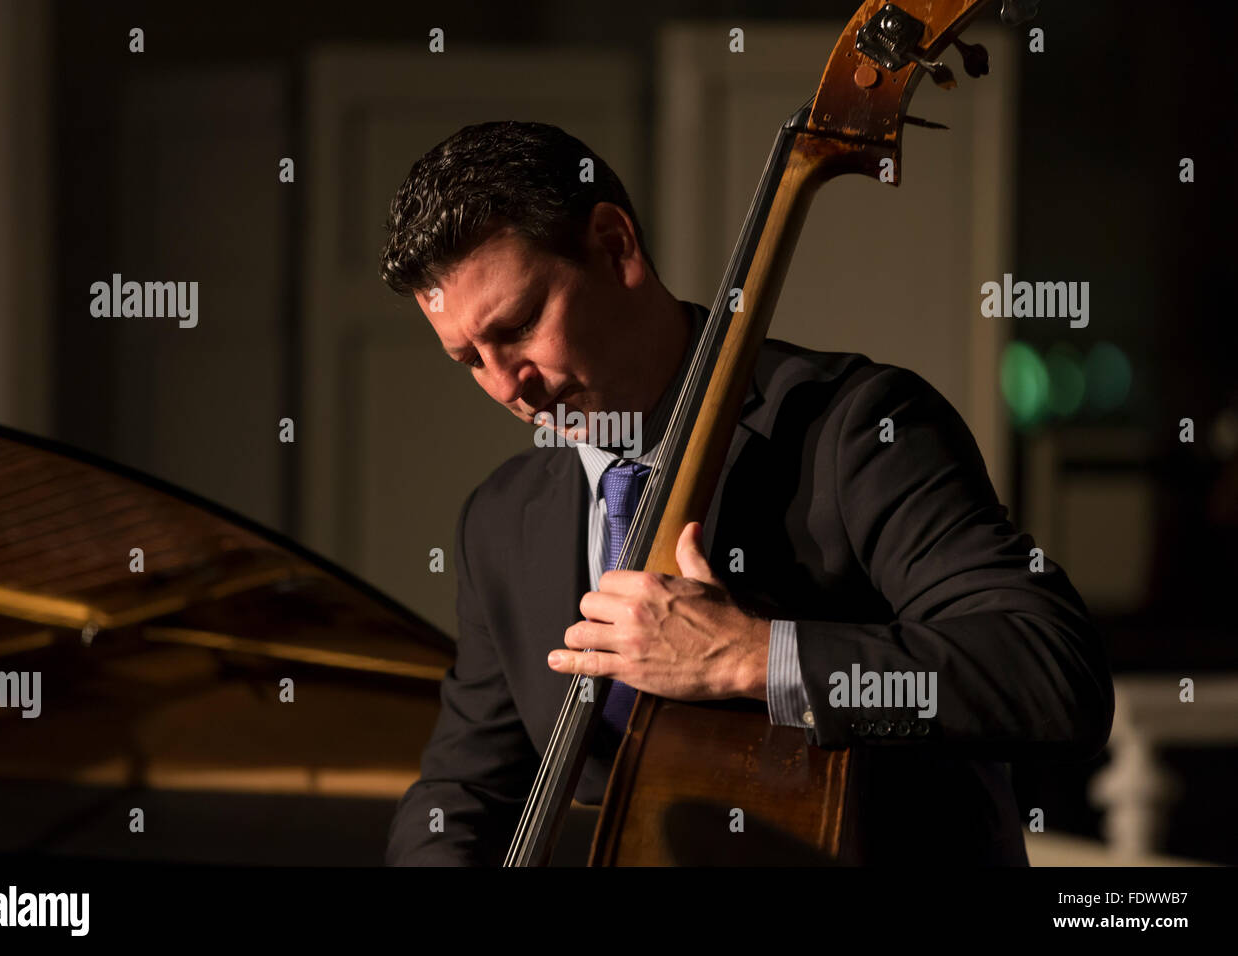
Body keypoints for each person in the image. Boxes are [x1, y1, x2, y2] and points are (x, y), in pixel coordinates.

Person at [377, 120, 1114, 866]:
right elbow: (460, 794)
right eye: (469, 359)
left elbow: (1053, 679)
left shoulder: (859, 428)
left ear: (614, 245)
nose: (507, 386)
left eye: (522, 325)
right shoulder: (502, 522)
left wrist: (756, 655)